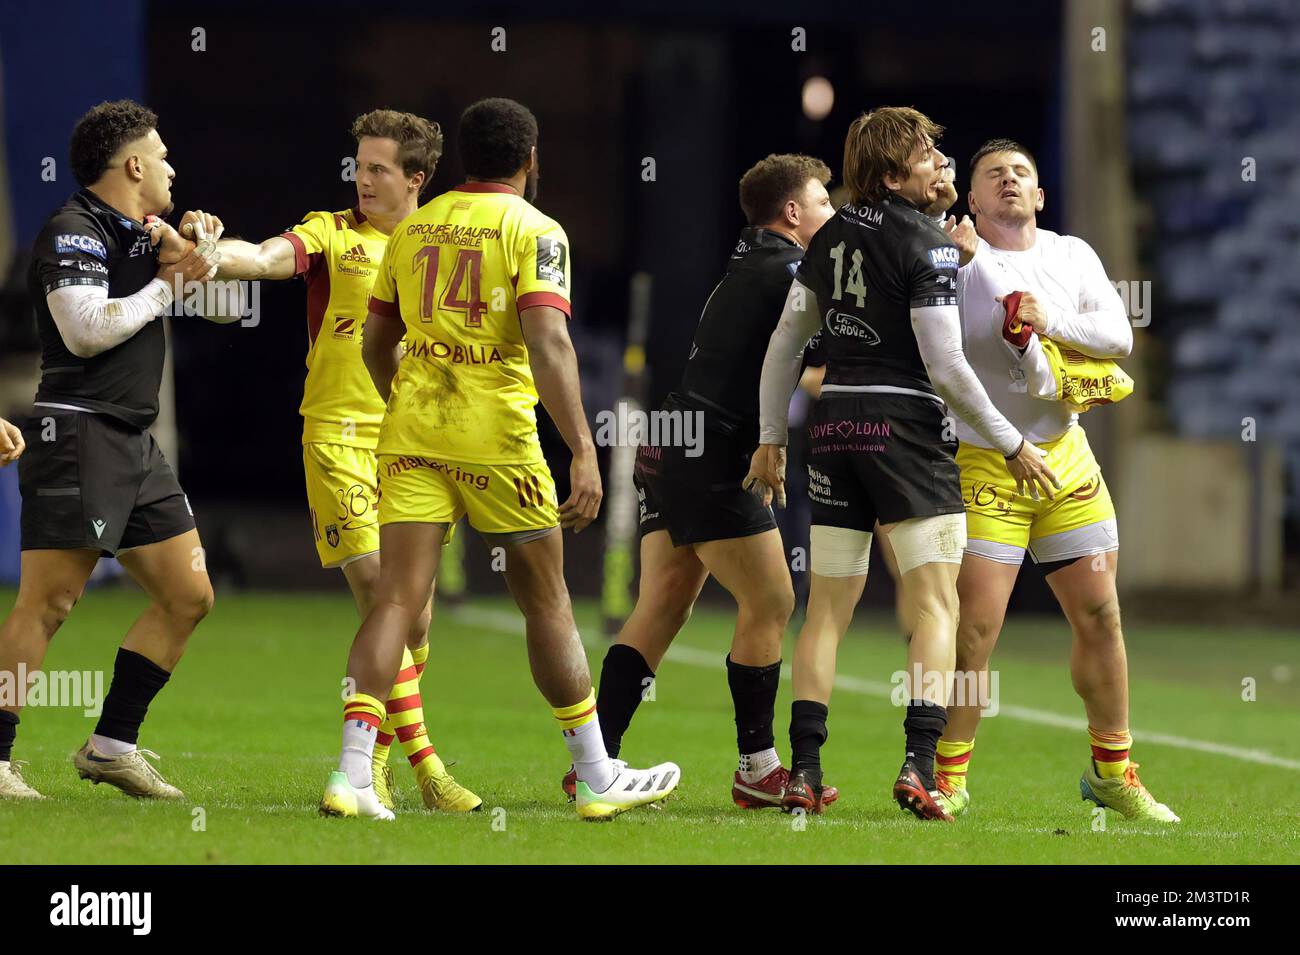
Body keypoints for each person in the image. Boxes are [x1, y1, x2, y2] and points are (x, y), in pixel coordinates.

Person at [319, 97, 678, 821]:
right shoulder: (536, 230)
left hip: (414, 432)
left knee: (395, 598)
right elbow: (548, 341)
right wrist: (583, 445)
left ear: (459, 162)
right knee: (545, 598)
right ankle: (595, 772)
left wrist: (408, 404)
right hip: (498, 438)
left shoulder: (414, 227)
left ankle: (353, 773)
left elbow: (374, 344)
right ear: (530, 159)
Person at [749, 106, 1057, 820]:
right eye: (926, 157)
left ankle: (804, 772)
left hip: (833, 430)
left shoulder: (827, 238)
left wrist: (771, 437)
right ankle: (920, 766)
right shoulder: (930, 244)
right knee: (934, 605)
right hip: (906, 431)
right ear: (892, 174)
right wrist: (1012, 443)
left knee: (826, 610)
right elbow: (946, 364)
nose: (941, 165)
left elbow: (784, 346)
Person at [211, 109, 479, 813]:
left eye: (377, 169)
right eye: (358, 167)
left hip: (415, 447)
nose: (360, 179)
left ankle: (383, 766)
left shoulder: (444, 244)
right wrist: (214, 253)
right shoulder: (331, 232)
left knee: (413, 621)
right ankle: (418, 768)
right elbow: (267, 258)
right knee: (383, 599)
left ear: (415, 177)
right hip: (337, 439)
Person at [571, 154, 839, 810]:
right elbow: (851, 337)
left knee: (660, 604)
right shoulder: (786, 271)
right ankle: (758, 765)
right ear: (793, 213)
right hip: (712, 457)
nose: (832, 212)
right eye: (824, 201)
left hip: (669, 444)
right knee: (773, 599)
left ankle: (593, 762)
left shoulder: (749, 265)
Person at [931, 139, 1177, 823]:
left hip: (1065, 456)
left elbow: (1118, 337)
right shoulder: (948, 261)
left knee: (1100, 615)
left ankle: (1112, 772)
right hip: (987, 460)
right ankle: (948, 776)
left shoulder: (1072, 255)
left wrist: (1050, 320)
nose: (1010, 180)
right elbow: (943, 357)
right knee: (975, 629)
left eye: (1022, 173)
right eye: (993, 175)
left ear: (1039, 195)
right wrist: (977, 274)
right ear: (971, 199)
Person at [0, 99, 232, 801]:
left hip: (133, 441)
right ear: (133, 164)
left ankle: (111, 745)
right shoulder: (74, 229)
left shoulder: (143, 234)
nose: (170, 167)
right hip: (77, 431)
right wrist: (169, 281)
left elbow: (212, 301)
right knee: (50, 601)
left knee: (189, 593)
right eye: (161, 156)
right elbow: (86, 330)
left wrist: (201, 249)